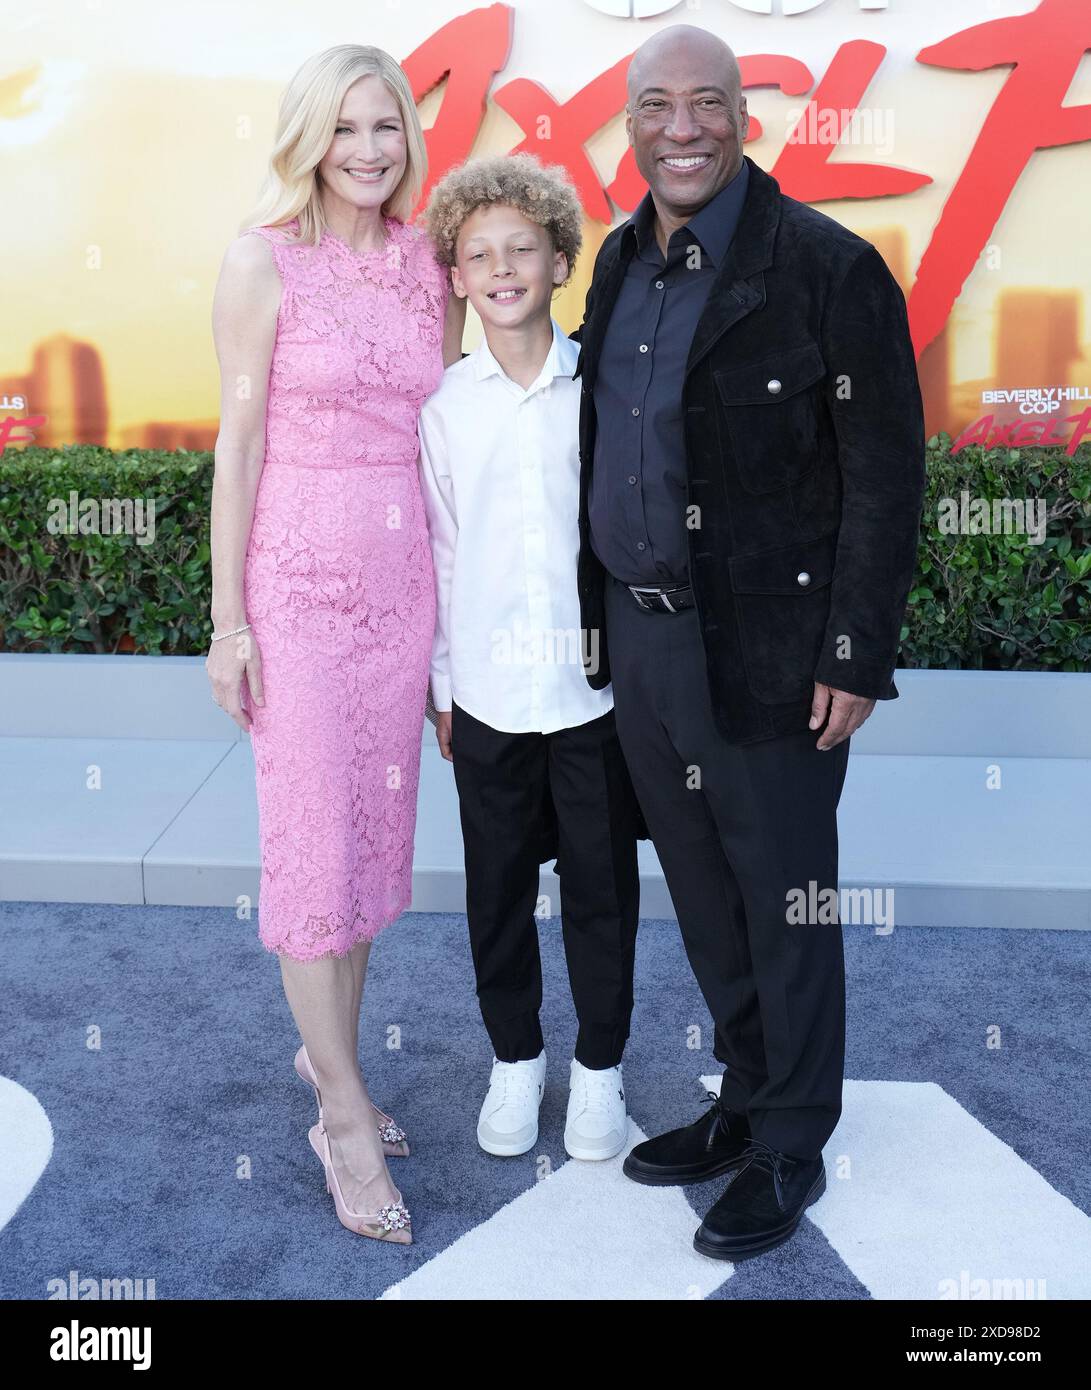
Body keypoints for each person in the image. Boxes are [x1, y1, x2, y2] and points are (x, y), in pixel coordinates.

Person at [571, 25, 926, 1258]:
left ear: (742, 117)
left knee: (784, 895)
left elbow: (883, 477)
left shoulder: (826, 265)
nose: (681, 127)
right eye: (656, 105)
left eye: (706, 102)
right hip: (642, 640)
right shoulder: (617, 263)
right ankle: (742, 1093)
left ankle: (789, 1139)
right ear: (629, 124)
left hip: (772, 647)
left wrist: (851, 650)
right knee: (708, 895)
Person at [206, 43, 465, 1245]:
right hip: (297, 594)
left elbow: (455, 435)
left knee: (366, 852)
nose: (368, 152)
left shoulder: (431, 262)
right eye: (347, 129)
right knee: (312, 850)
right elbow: (240, 449)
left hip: (401, 585)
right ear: (307, 135)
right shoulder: (261, 262)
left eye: (387, 130)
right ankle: (346, 1114)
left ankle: (332, 1064)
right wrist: (227, 621)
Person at [417, 153, 643, 1163]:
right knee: (497, 886)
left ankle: (599, 1067)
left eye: (521, 248)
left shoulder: (604, 384)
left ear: (559, 259)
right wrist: (444, 687)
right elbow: (440, 548)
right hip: (491, 695)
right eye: (477, 254)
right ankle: (516, 1057)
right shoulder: (444, 409)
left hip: (592, 693)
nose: (501, 267)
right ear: (456, 277)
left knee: (600, 886)